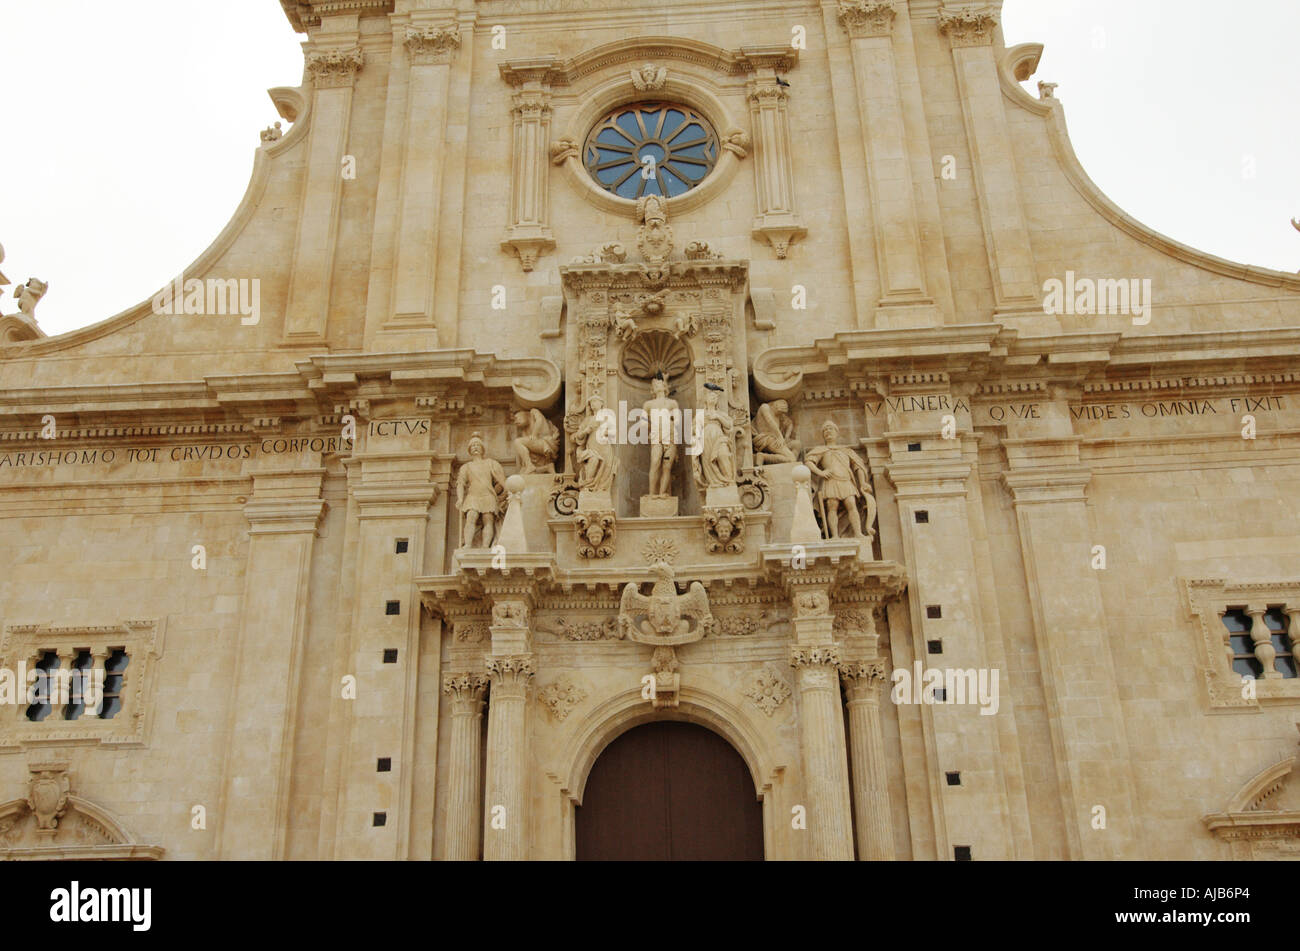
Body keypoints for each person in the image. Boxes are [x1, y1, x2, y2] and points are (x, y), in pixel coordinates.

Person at [804, 420, 875, 539]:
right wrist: (820, 472)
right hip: (830, 481)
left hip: (846, 481)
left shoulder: (846, 450)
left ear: (837, 433)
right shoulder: (821, 449)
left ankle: (858, 533)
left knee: (851, 504)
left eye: (830, 428)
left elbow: (858, 465)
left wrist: (862, 482)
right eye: (825, 430)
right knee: (832, 506)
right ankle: (835, 535)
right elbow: (808, 461)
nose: (827, 431)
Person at [456, 433, 507, 548]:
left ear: (482, 448)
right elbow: (460, 483)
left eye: (477, 445)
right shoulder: (466, 467)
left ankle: (485, 546)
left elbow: (501, 481)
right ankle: (467, 545)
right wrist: (460, 499)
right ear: (469, 449)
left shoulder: (491, 463)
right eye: (472, 445)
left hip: (488, 495)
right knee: (471, 517)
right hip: (472, 495)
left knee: (488, 520)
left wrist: (496, 492)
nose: (475, 447)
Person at [692, 385, 736, 489]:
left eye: (715, 397)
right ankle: (715, 483)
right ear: (706, 400)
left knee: (723, 454)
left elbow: (729, 425)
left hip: (719, 438)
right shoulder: (700, 414)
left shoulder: (720, 413)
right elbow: (694, 430)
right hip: (705, 440)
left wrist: (717, 417)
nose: (713, 398)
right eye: (711, 396)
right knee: (708, 462)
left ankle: (729, 481)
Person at [643, 376, 680, 497]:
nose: (658, 385)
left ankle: (662, 493)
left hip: (670, 436)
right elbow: (643, 423)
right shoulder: (648, 404)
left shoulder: (672, 403)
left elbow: (678, 422)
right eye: (655, 384)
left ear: (665, 386)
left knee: (666, 465)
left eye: (660, 383)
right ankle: (652, 493)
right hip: (656, 437)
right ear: (652, 389)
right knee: (655, 462)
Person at [573, 396, 617, 494]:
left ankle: (601, 489)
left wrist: (606, 432)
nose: (593, 404)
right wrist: (585, 431)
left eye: (595, 401)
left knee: (606, 466)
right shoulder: (588, 420)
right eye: (591, 402)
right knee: (593, 461)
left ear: (601, 403)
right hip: (592, 446)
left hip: (604, 447)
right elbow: (578, 436)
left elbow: (614, 432)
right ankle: (588, 486)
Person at [752, 400, 801, 465]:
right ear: (775, 405)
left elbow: (789, 423)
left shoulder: (777, 415)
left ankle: (789, 464)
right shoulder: (765, 407)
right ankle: (763, 457)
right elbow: (770, 422)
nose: (781, 414)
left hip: (775, 439)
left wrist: (786, 437)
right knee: (792, 459)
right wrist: (779, 436)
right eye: (780, 412)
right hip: (765, 438)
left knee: (797, 444)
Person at [511, 408, 559, 474]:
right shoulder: (524, 430)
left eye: (516, 418)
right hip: (539, 446)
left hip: (547, 442)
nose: (515, 422)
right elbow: (525, 449)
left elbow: (540, 420)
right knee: (523, 471)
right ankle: (547, 467)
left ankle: (529, 466)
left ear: (523, 413)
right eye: (514, 420)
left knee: (517, 441)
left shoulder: (533, 412)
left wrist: (534, 434)